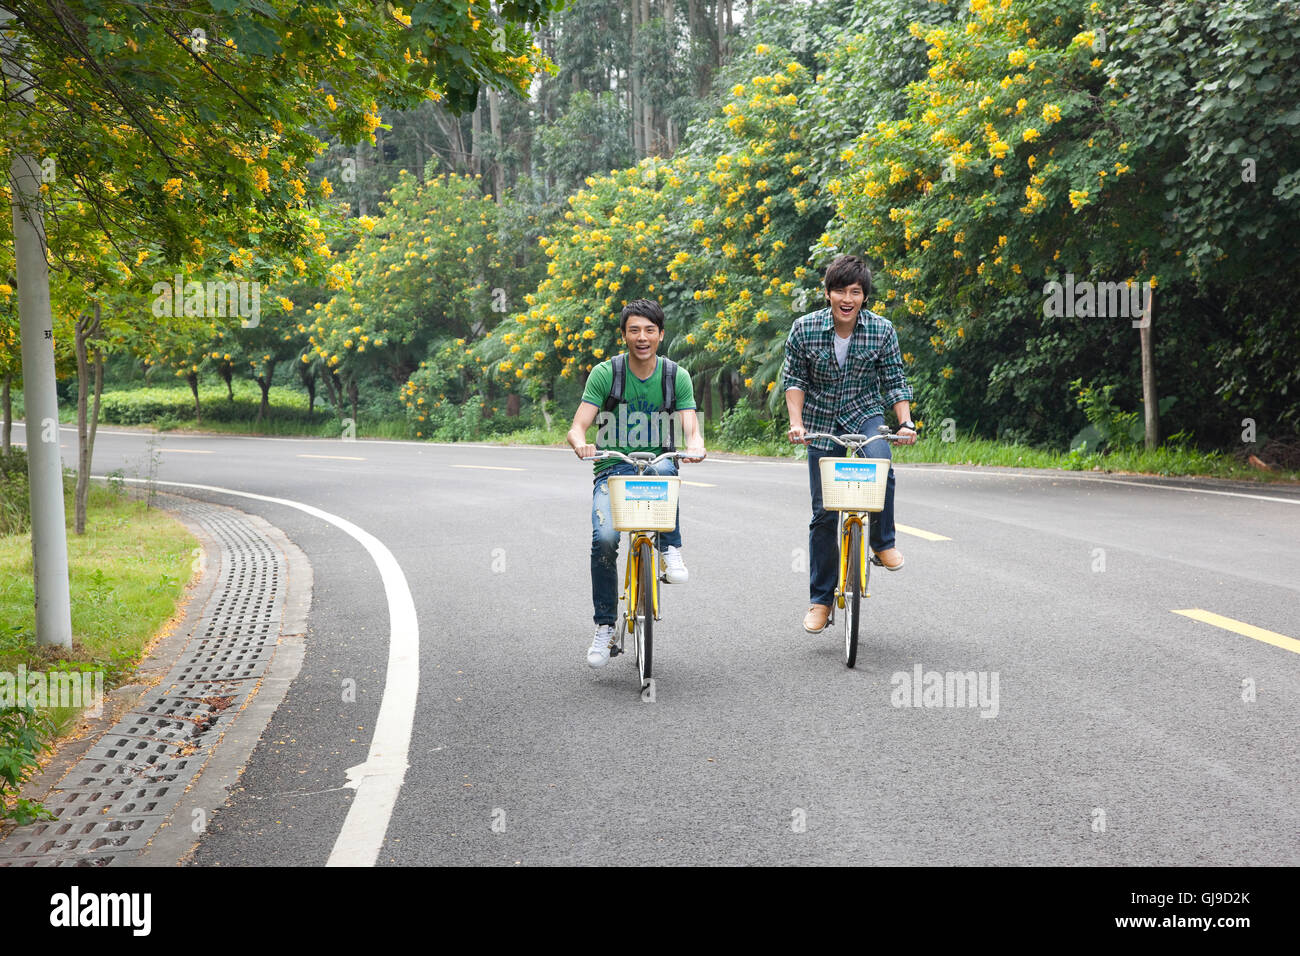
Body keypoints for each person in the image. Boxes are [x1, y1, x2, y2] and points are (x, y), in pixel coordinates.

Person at [781, 255, 917, 634]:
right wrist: (797, 423)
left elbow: (895, 379)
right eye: (840, 290)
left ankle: (881, 541)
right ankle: (821, 601)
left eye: (855, 292)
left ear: (864, 297)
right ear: (827, 293)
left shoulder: (882, 330)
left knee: (881, 466)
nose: (847, 298)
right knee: (824, 514)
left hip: (864, 412)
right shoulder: (804, 329)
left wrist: (904, 421)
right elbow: (794, 380)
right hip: (821, 420)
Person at [567, 299, 706, 668]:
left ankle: (669, 548)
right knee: (606, 539)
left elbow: (690, 422)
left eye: (649, 330)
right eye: (634, 330)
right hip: (613, 469)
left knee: (664, 473)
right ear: (624, 335)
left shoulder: (675, 375)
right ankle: (605, 626)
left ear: (660, 334)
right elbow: (578, 425)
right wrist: (581, 442)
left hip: (657, 466)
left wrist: (695, 444)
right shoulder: (605, 373)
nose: (641, 337)